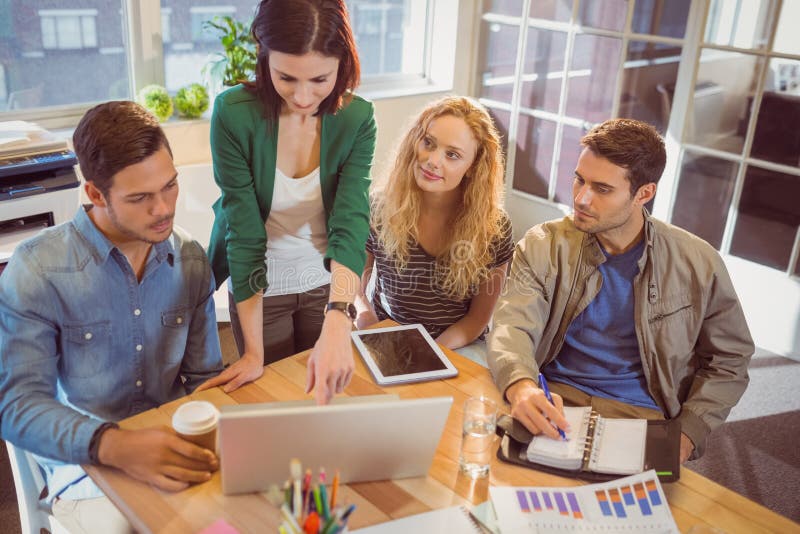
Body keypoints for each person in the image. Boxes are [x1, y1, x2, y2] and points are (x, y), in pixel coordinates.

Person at [0, 101, 224, 532]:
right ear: (95, 194)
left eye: (170, 186)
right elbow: (17, 407)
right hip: (84, 470)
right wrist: (116, 446)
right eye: (140, 197)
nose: (163, 209)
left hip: (172, 445)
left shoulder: (190, 259)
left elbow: (203, 380)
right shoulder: (36, 270)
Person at [487, 118, 754, 462]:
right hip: (554, 398)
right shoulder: (543, 244)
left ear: (643, 193)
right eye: (579, 180)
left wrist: (689, 431)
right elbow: (512, 325)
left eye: (602, 189)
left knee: (633, 511)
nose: (582, 198)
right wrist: (520, 385)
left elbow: (730, 358)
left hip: (643, 414)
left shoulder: (698, 263)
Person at [202, 0, 376, 404]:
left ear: (343, 62)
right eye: (286, 78)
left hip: (325, 283)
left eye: (319, 79)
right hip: (263, 288)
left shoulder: (357, 119)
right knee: (275, 399)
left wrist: (340, 316)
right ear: (264, 54)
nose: (302, 97)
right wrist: (252, 353)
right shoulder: (233, 114)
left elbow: (351, 222)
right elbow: (243, 232)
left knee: (326, 399)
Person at [356, 96, 514, 355]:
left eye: (452, 155)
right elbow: (354, 288)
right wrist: (367, 322)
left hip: (457, 345)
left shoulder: (494, 227)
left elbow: (477, 320)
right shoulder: (377, 209)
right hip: (387, 333)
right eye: (428, 143)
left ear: (473, 167)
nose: (432, 160)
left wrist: (429, 353)